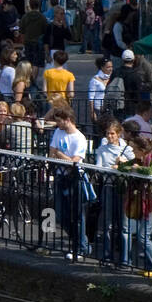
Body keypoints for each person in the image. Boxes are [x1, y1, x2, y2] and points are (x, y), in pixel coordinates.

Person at [117, 134, 152, 274]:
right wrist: (131, 167)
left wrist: (136, 169)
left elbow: (150, 171)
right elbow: (121, 168)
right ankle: (150, 266)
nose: (133, 152)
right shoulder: (136, 160)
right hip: (142, 202)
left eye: (134, 150)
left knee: (143, 236)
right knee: (146, 236)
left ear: (142, 150)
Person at [48, 107, 91, 258]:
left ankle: (80, 247)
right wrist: (60, 156)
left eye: (59, 121)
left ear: (68, 120)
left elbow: (74, 161)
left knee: (77, 215)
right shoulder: (58, 132)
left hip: (74, 179)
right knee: (60, 214)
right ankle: (80, 242)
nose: (57, 124)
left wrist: (60, 154)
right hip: (60, 176)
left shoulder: (79, 138)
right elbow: (51, 150)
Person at [94, 121, 129, 264]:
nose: (109, 136)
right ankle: (107, 255)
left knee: (124, 225)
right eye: (108, 133)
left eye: (112, 133)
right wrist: (112, 169)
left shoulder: (127, 149)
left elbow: (133, 167)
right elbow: (99, 168)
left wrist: (123, 164)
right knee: (108, 223)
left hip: (123, 188)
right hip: (108, 186)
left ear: (118, 134)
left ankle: (125, 258)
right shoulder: (102, 149)